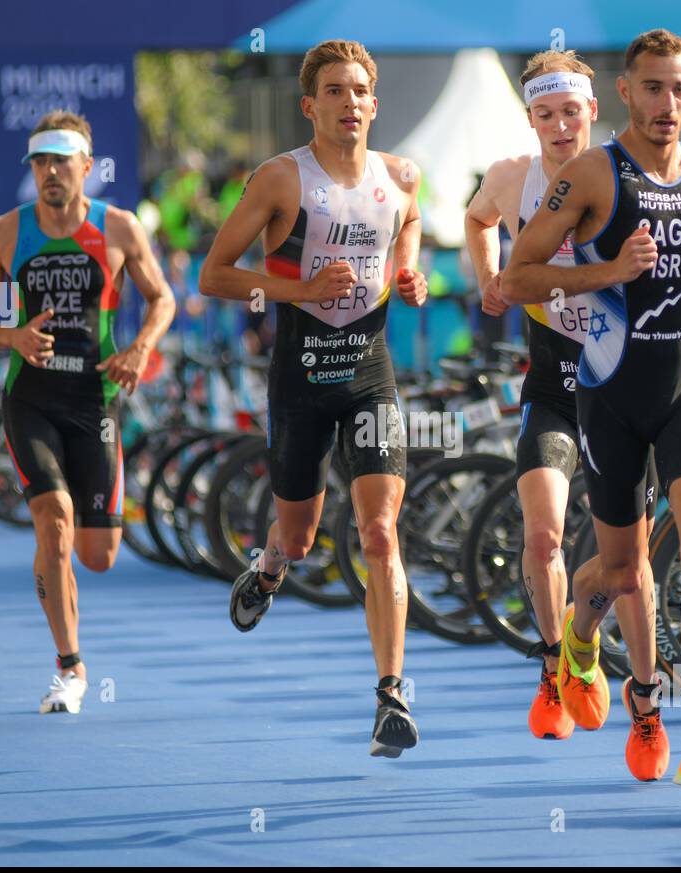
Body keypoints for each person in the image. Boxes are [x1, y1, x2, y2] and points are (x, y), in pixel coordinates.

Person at [504, 29, 681, 797]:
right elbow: (518, 277)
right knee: (621, 572)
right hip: (609, 394)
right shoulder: (591, 173)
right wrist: (611, 271)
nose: (668, 104)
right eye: (654, 88)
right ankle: (578, 644)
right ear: (626, 91)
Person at [199, 39, 429, 758]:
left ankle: (391, 696)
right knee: (298, 536)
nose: (350, 103)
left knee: (381, 532)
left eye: (360, 91)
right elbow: (214, 274)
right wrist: (299, 289)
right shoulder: (279, 180)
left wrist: (410, 269)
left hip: (369, 374)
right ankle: (270, 568)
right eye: (334, 91)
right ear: (310, 106)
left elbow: (411, 219)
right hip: (301, 381)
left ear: (375, 103)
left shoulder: (400, 175)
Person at [465, 50, 657, 742]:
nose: (559, 125)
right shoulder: (513, 177)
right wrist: (489, 275)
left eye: (570, 111)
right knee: (542, 532)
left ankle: (638, 691)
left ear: (593, 111)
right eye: (544, 114)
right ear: (530, 119)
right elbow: (477, 219)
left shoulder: (622, 177)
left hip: (622, 387)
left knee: (627, 566)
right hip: (552, 384)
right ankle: (554, 666)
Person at [0, 110, 175, 714]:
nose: (51, 172)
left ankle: (61, 556)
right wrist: (13, 338)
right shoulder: (5, 233)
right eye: (40, 161)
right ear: (32, 169)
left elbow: (164, 298)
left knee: (98, 555)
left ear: (87, 165)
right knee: (53, 519)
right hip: (30, 398)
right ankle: (70, 665)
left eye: (62, 160)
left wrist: (138, 348)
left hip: (95, 399)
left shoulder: (120, 228)